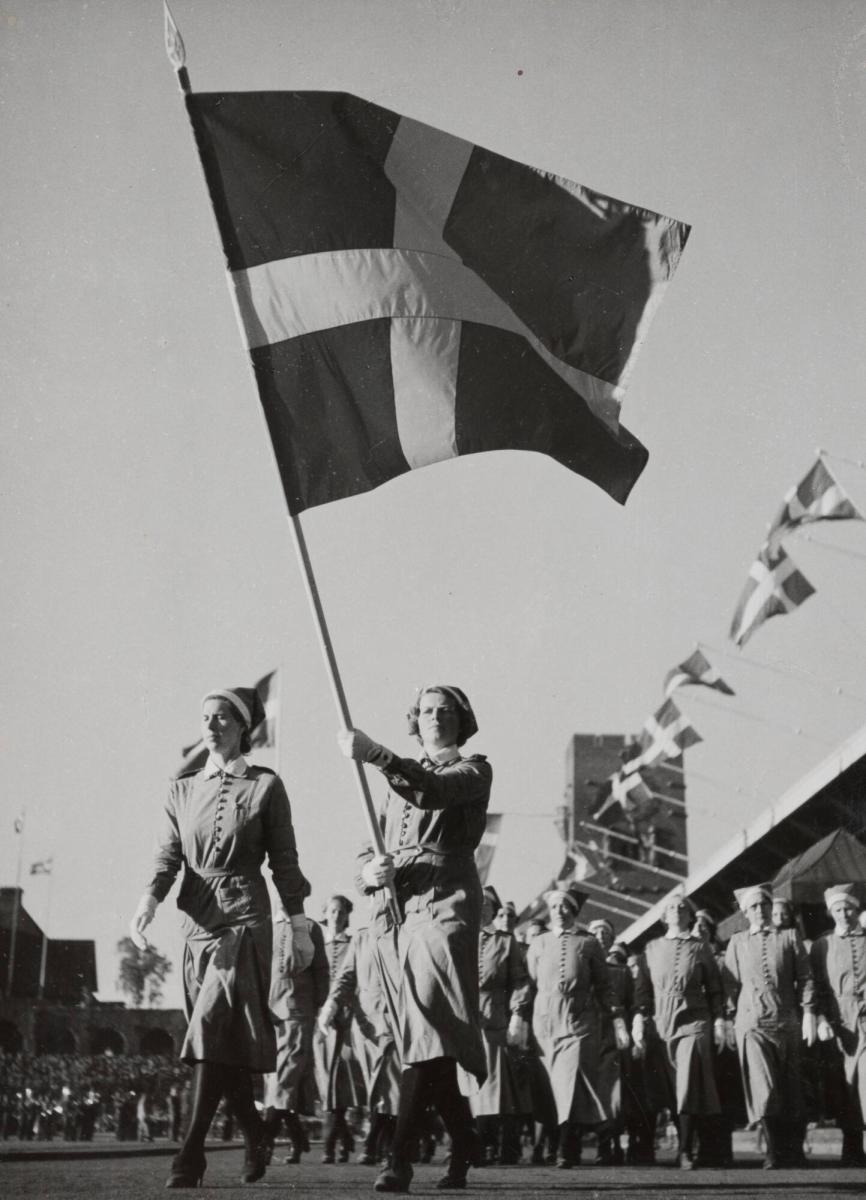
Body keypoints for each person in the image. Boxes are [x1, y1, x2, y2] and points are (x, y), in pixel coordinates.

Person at [129, 685, 312, 1188]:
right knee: (219, 1043)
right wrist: (147, 904)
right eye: (205, 717)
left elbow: (285, 861)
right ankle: (256, 1133)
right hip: (195, 922)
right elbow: (168, 858)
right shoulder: (180, 789)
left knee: (211, 1029)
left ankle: (189, 1157)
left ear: (241, 727)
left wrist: (297, 924)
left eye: (222, 718)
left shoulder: (266, 786)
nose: (211, 725)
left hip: (244, 920)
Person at [339, 684, 490, 1193]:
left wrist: (377, 755)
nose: (435, 717)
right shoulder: (392, 784)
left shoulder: (474, 770)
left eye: (446, 710)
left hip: (447, 904)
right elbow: (370, 845)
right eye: (426, 710)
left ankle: (397, 1158)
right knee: (425, 1035)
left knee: (426, 1019)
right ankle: (465, 1140)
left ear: (462, 719)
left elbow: (431, 790)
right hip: (397, 910)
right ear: (415, 718)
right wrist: (370, 872)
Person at [525, 885, 628, 1169]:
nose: (560, 911)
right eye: (555, 907)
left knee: (570, 1082)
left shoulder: (589, 943)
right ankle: (556, 1143)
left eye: (565, 906)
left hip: (579, 1020)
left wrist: (618, 1019)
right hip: (544, 1021)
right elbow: (529, 983)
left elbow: (604, 986)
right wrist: (518, 1017)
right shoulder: (538, 943)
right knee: (551, 1087)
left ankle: (566, 1148)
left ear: (573, 911)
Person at [722, 881, 816, 1169]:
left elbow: (806, 977)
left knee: (791, 1087)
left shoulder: (789, 937)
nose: (760, 910)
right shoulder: (737, 942)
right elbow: (729, 984)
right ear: (745, 912)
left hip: (786, 1020)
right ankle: (773, 1152)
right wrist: (727, 1019)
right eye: (753, 906)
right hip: (752, 1024)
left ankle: (794, 1151)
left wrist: (809, 1012)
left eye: (764, 904)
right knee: (764, 1086)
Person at [633, 889, 724, 1170]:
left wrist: (720, 1020)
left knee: (687, 1084)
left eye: (682, 907)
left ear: (689, 915)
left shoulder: (700, 947)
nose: (677, 911)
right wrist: (639, 1017)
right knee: (668, 1087)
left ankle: (685, 1151)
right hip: (660, 1024)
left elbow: (715, 990)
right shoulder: (651, 948)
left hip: (693, 1020)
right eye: (671, 908)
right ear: (663, 916)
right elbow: (643, 991)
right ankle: (690, 1142)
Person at [320, 912, 402, 1166]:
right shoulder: (362, 938)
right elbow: (346, 976)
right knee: (378, 1090)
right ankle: (385, 1146)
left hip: (396, 1021)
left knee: (389, 1086)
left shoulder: (406, 932)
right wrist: (332, 1004)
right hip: (365, 1026)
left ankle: (375, 1145)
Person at [470, 886, 531, 1164]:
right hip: (465, 1020)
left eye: (487, 904)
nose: (481, 907)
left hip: (495, 1019)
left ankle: (501, 1147)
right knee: (469, 1088)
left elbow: (519, 980)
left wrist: (517, 1014)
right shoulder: (461, 936)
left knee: (496, 1088)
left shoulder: (505, 941)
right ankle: (474, 1146)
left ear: (493, 910)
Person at [262, 911, 328, 1165]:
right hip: (271, 1013)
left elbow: (321, 970)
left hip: (298, 1011)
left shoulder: (310, 928)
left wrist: (319, 1005)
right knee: (280, 1082)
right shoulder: (267, 926)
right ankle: (297, 1139)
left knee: (285, 1076)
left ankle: (263, 1141)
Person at [810, 883, 866, 1166]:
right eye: (838, 910)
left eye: (849, 909)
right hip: (837, 1021)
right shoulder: (822, 945)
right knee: (844, 1085)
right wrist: (819, 1017)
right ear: (831, 913)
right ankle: (852, 1144)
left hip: (865, 1017)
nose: (844, 914)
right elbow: (816, 986)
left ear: (857, 910)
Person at [313, 894, 365, 1163]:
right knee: (326, 1085)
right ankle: (341, 1142)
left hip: (346, 1021)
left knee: (341, 1083)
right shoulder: (316, 946)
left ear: (348, 915)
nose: (337, 916)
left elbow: (355, 981)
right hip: (321, 1024)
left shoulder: (354, 943)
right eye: (332, 911)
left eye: (341, 911)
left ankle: (330, 1146)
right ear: (325, 914)